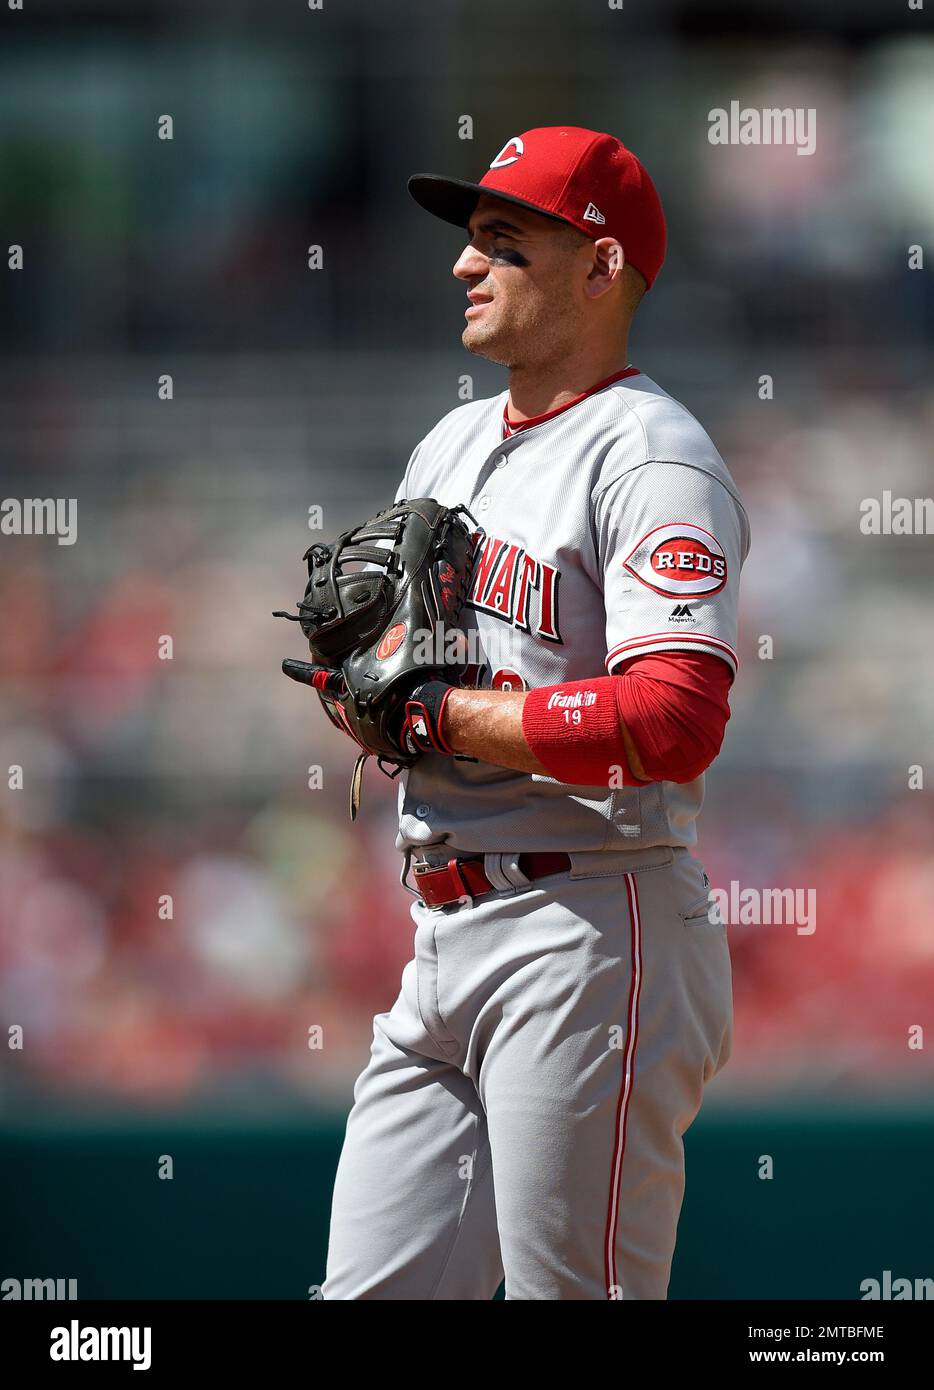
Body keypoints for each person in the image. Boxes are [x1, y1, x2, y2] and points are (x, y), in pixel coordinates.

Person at [321, 126, 750, 1300]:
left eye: (504, 244)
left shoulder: (653, 454)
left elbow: (674, 716)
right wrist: (359, 695)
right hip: (443, 930)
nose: (466, 265)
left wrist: (440, 719)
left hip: (588, 922)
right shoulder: (451, 441)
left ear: (601, 268)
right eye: (471, 242)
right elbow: (394, 685)